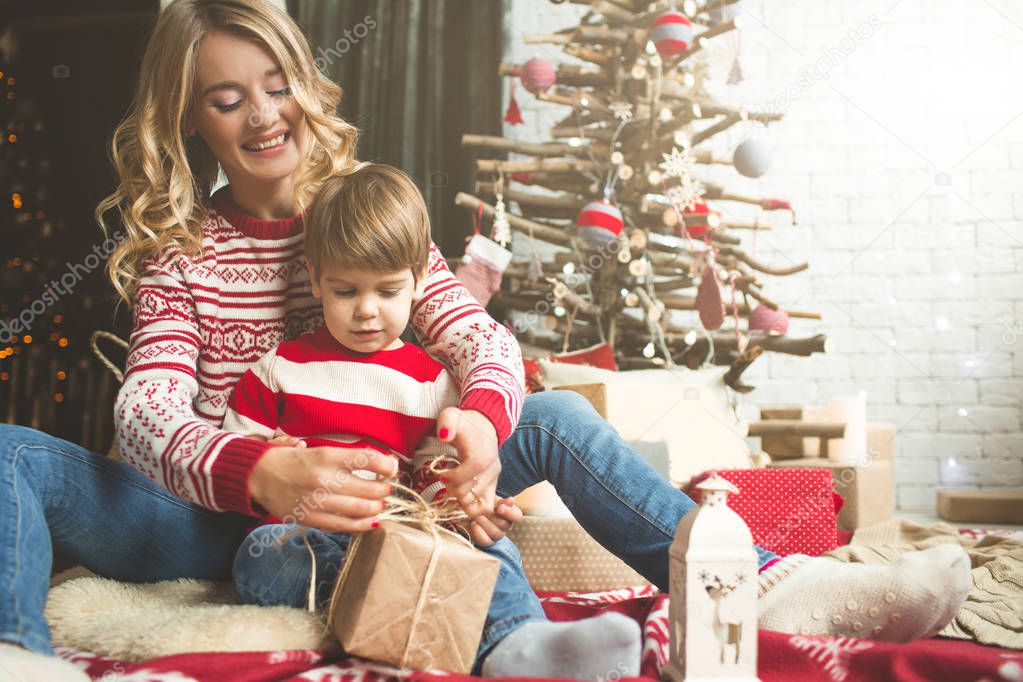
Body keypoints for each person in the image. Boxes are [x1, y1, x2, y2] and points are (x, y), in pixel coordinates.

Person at [0, 1, 970, 680]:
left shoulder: (366, 212)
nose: (262, 114)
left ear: (303, 81)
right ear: (189, 119)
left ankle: (763, 582)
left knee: (544, 410)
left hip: (398, 472)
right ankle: (18, 655)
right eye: (225, 99)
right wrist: (262, 469)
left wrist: (475, 421)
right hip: (220, 514)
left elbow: (481, 338)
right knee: (8, 453)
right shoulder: (183, 253)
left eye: (276, 82)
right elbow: (149, 406)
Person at [221, 162, 642, 676]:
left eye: (388, 290)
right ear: (314, 277)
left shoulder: (434, 384)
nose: (367, 311)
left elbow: (435, 485)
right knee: (259, 551)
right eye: (346, 291)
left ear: (420, 279)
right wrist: (271, 463)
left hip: (409, 536)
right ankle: (389, 613)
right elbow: (236, 467)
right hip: (313, 534)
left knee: (490, 547)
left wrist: (469, 511)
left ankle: (522, 645)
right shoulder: (276, 371)